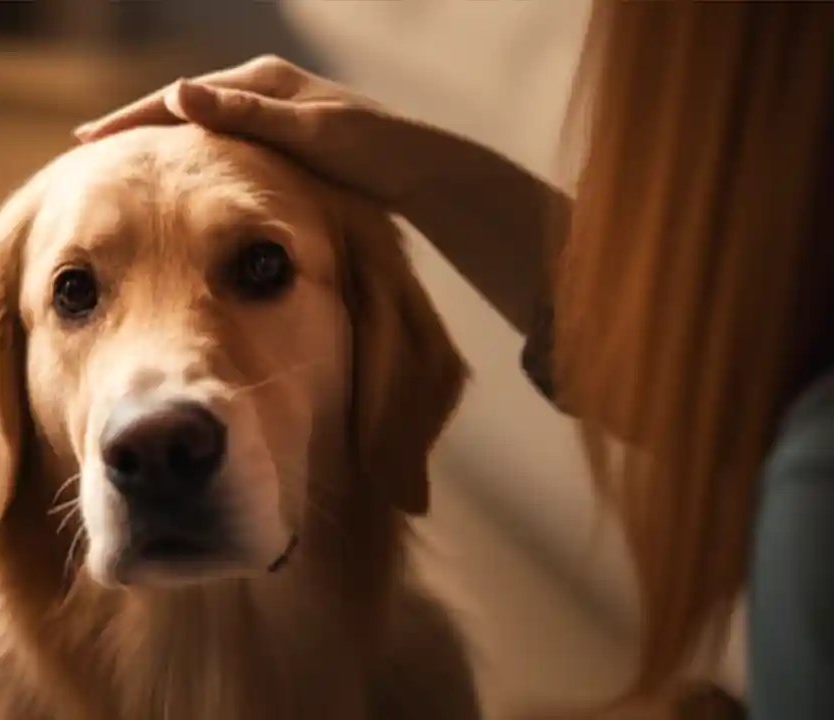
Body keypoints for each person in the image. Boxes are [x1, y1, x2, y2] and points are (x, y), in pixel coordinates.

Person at [75, 2, 833, 718]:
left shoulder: (817, 484)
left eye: (261, 268)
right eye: (75, 292)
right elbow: (735, 370)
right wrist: (415, 161)